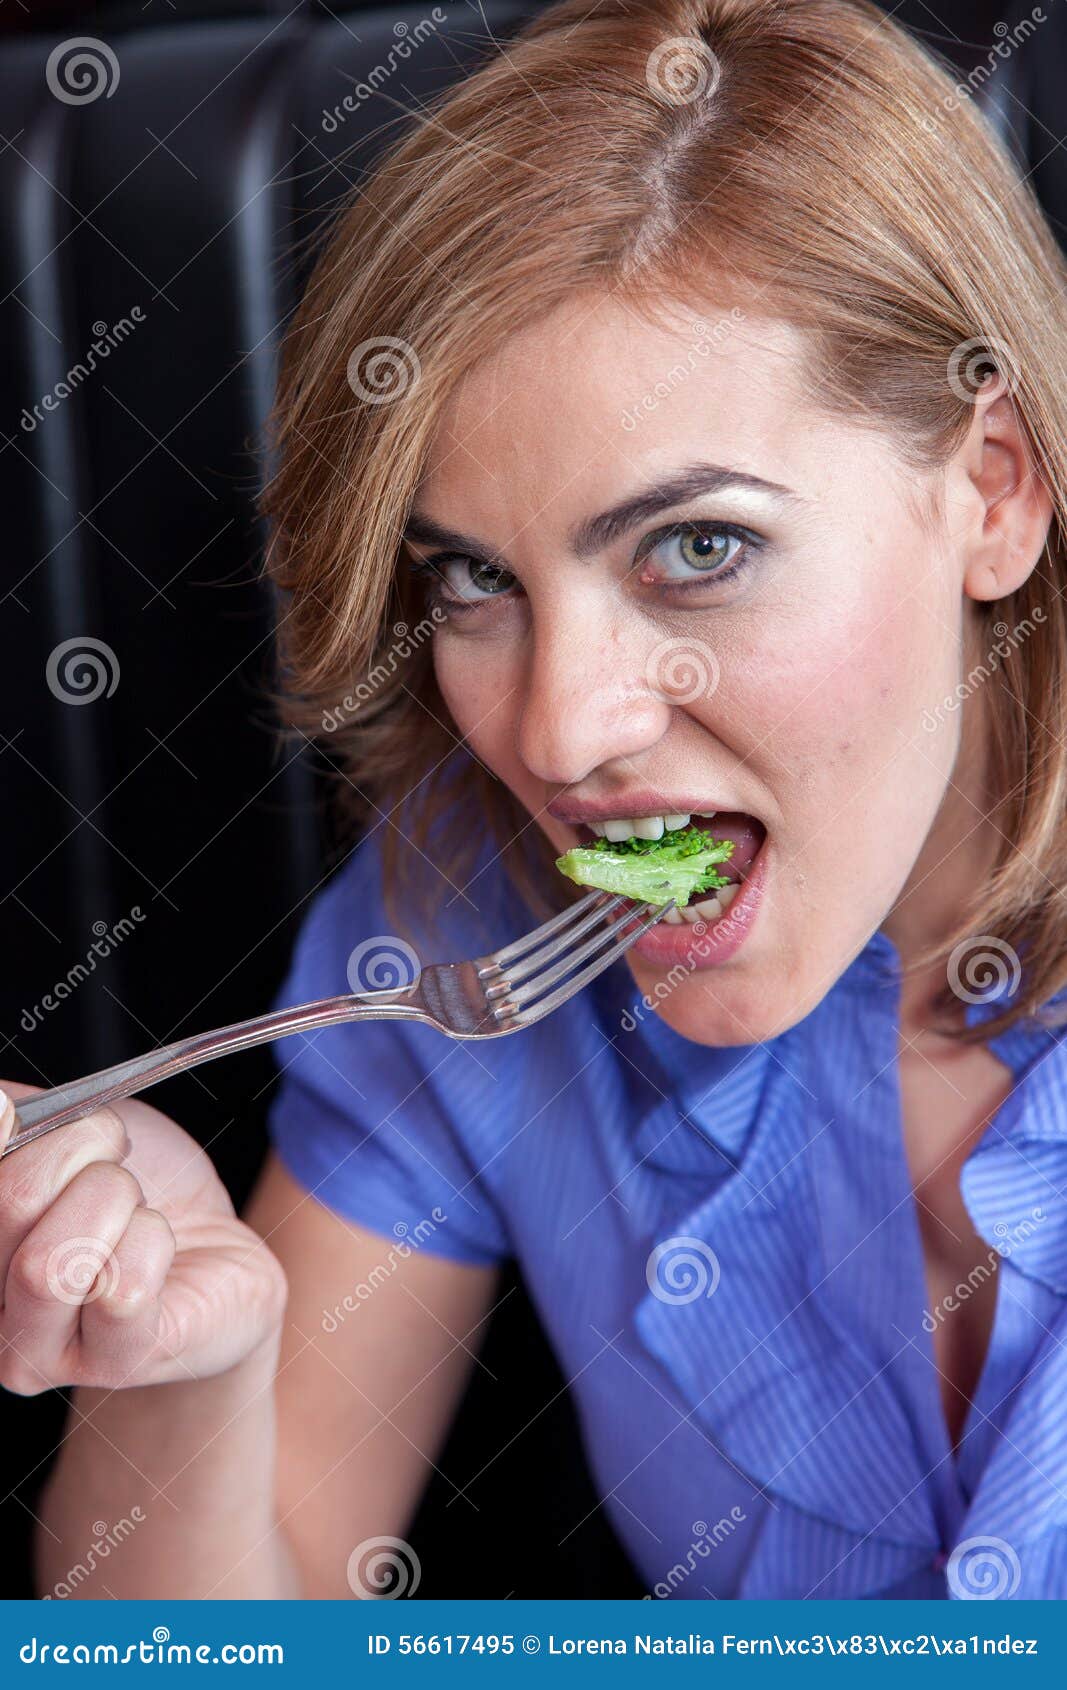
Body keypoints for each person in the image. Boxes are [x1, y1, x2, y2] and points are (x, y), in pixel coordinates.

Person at [6, 0, 1067, 1599]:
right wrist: (187, 1363)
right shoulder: (467, 908)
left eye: (697, 548)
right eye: (476, 580)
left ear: (991, 490)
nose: (559, 733)